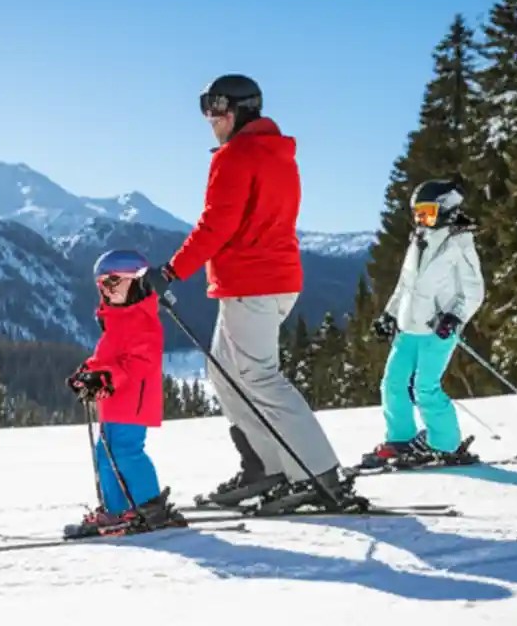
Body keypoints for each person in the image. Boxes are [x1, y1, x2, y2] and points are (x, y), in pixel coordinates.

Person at [143, 74, 356, 514]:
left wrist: (171, 270)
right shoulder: (277, 154)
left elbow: (217, 225)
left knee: (259, 377)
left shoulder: (236, 156)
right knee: (225, 374)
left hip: (251, 284)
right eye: (206, 108)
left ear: (241, 109)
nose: (210, 118)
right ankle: (267, 466)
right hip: (273, 281)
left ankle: (319, 474)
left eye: (217, 108)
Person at [65, 249, 187, 537]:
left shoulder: (142, 320)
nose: (106, 290)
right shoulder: (117, 318)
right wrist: (88, 373)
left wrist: (105, 377)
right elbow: (106, 357)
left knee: (127, 452)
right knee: (105, 453)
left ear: (138, 281)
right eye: (102, 284)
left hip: (134, 400)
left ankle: (149, 506)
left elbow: (138, 364)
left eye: (113, 281)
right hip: (114, 401)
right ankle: (116, 510)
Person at [364, 178, 485, 467]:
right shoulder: (419, 239)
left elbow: (474, 291)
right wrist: (390, 315)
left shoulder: (459, 243)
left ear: (447, 209)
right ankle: (400, 439)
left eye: (427, 212)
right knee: (392, 383)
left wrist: (454, 317)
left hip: (437, 330)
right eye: (418, 213)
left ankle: (446, 443)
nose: (421, 219)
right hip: (408, 326)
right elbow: (405, 285)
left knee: (425, 387)